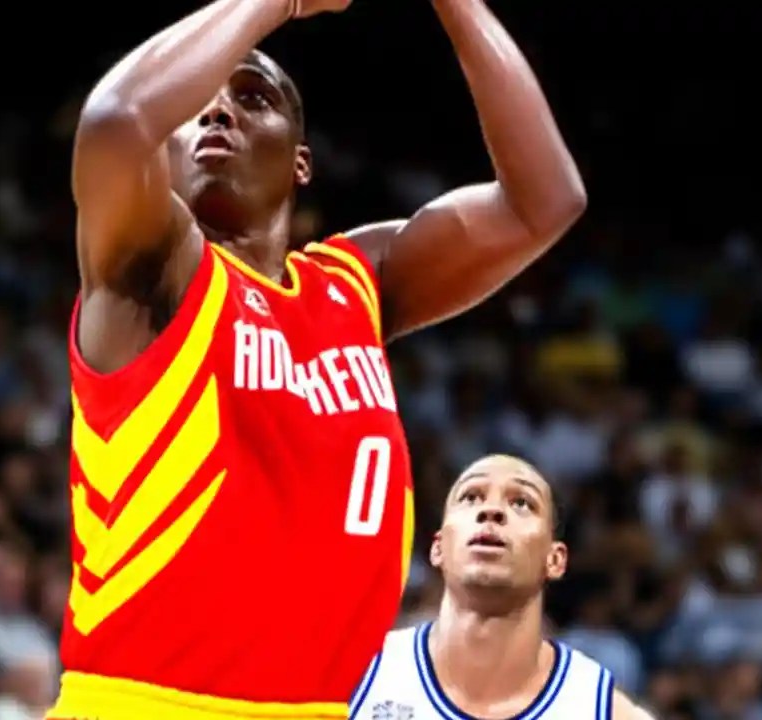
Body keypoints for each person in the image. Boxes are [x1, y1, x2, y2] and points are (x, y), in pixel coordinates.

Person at [50, 0, 586, 714]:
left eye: (252, 97)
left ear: (301, 161)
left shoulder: (353, 282)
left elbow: (544, 201)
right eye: (198, 107)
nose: (217, 115)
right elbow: (116, 123)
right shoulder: (151, 273)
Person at [351, 455, 652, 720]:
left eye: (521, 502)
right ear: (438, 548)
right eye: (471, 497)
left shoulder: (601, 709)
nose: (492, 511)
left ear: (555, 559)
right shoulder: (360, 673)